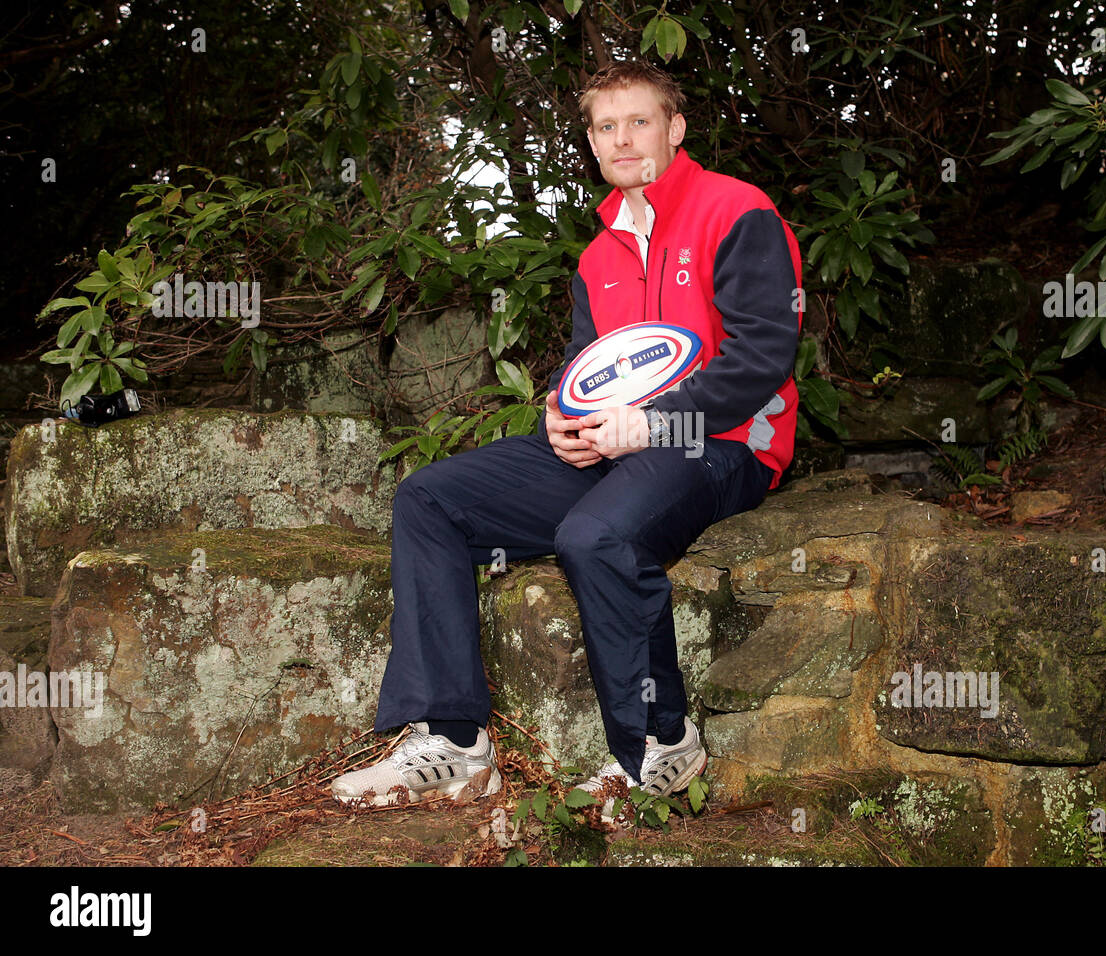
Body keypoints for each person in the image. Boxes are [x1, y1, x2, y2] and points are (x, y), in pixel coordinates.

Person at [331, 60, 802, 823]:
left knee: (594, 534)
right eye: (605, 126)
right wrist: (563, 414)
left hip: (724, 444)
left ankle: (662, 748)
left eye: (639, 120)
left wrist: (652, 423)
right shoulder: (597, 254)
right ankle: (453, 738)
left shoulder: (737, 212)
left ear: (675, 128)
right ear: (590, 141)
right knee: (429, 499)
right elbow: (593, 370)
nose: (623, 138)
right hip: (626, 446)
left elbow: (759, 358)